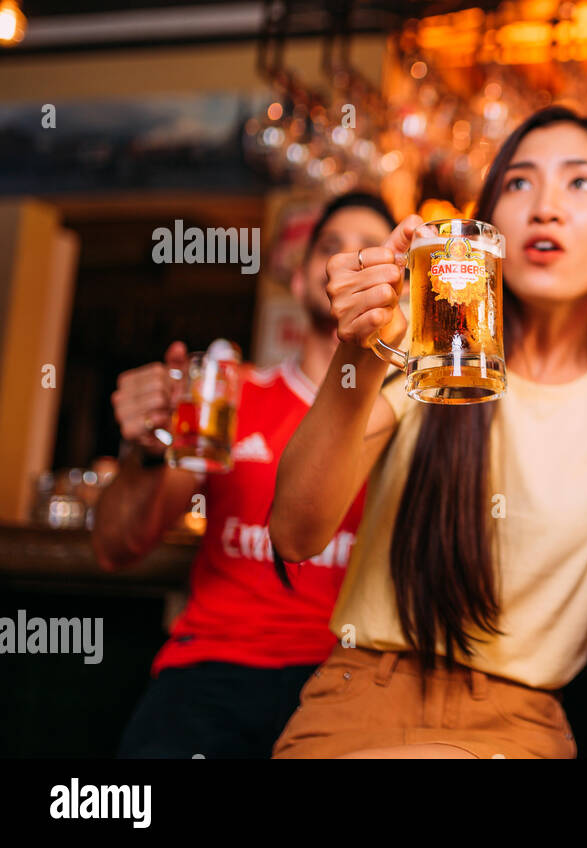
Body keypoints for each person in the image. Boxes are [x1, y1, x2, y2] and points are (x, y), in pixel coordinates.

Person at [267, 106, 587, 759]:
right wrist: (360, 351)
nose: (545, 207)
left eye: (579, 183)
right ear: (489, 229)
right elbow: (294, 533)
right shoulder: (443, 350)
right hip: (355, 703)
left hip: (516, 726)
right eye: (519, 184)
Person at [92, 191, 397, 757]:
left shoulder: (409, 412)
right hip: (212, 669)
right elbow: (116, 548)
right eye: (332, 250)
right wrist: (147, 449)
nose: (352, 263)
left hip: (345, 677)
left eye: (370, 252)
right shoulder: (230, 397)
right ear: (303, 281)